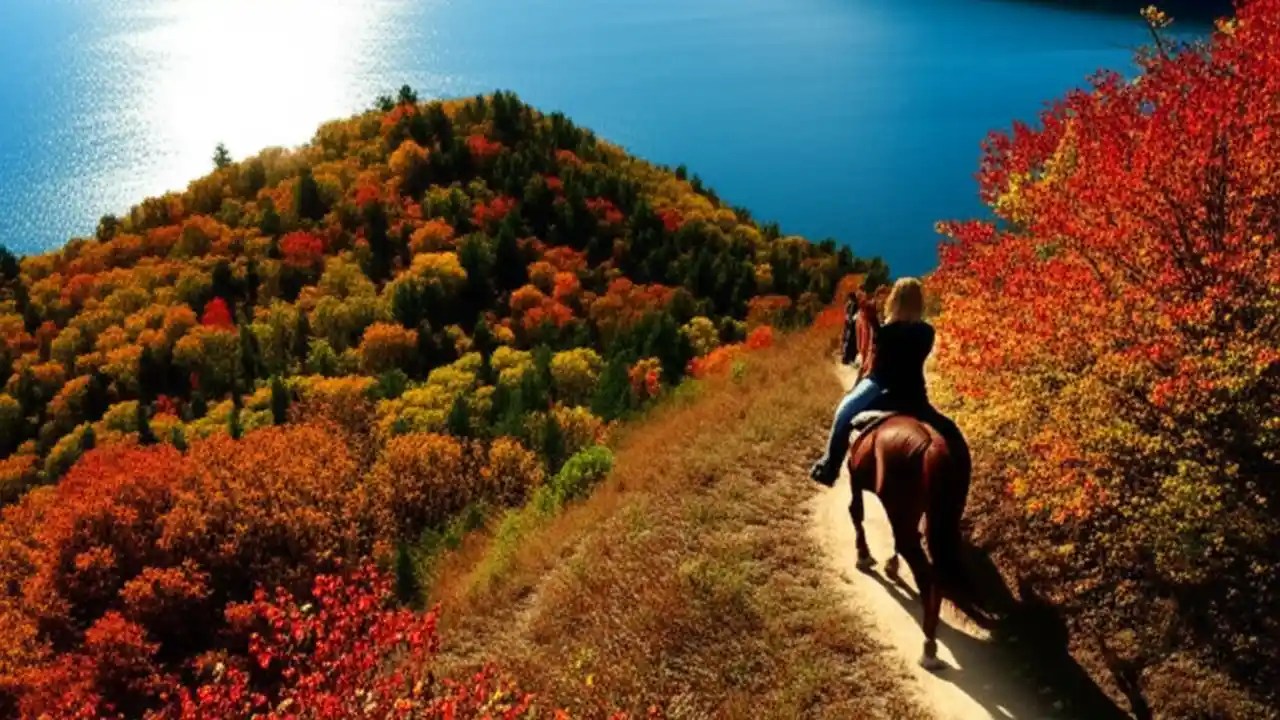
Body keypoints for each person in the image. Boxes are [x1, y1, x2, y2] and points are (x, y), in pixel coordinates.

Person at [810, 277, 934, 486]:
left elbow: (877, 365)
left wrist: (874, 322)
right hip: (915, 394)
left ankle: (829, 467)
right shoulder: (928, 332)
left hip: (882, 389)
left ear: (895, 300)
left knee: (843, 411)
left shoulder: (887, 332)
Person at [839, 292, 861, 365]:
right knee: (849, 341)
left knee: (850, 341)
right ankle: (847, 358)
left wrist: (851, 319)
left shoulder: (855, 305)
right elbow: (847, 313)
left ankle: (847, 358)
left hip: (852, 326)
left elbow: (856, 314)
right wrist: (849, 318)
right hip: (850, 326)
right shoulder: (851, 304)